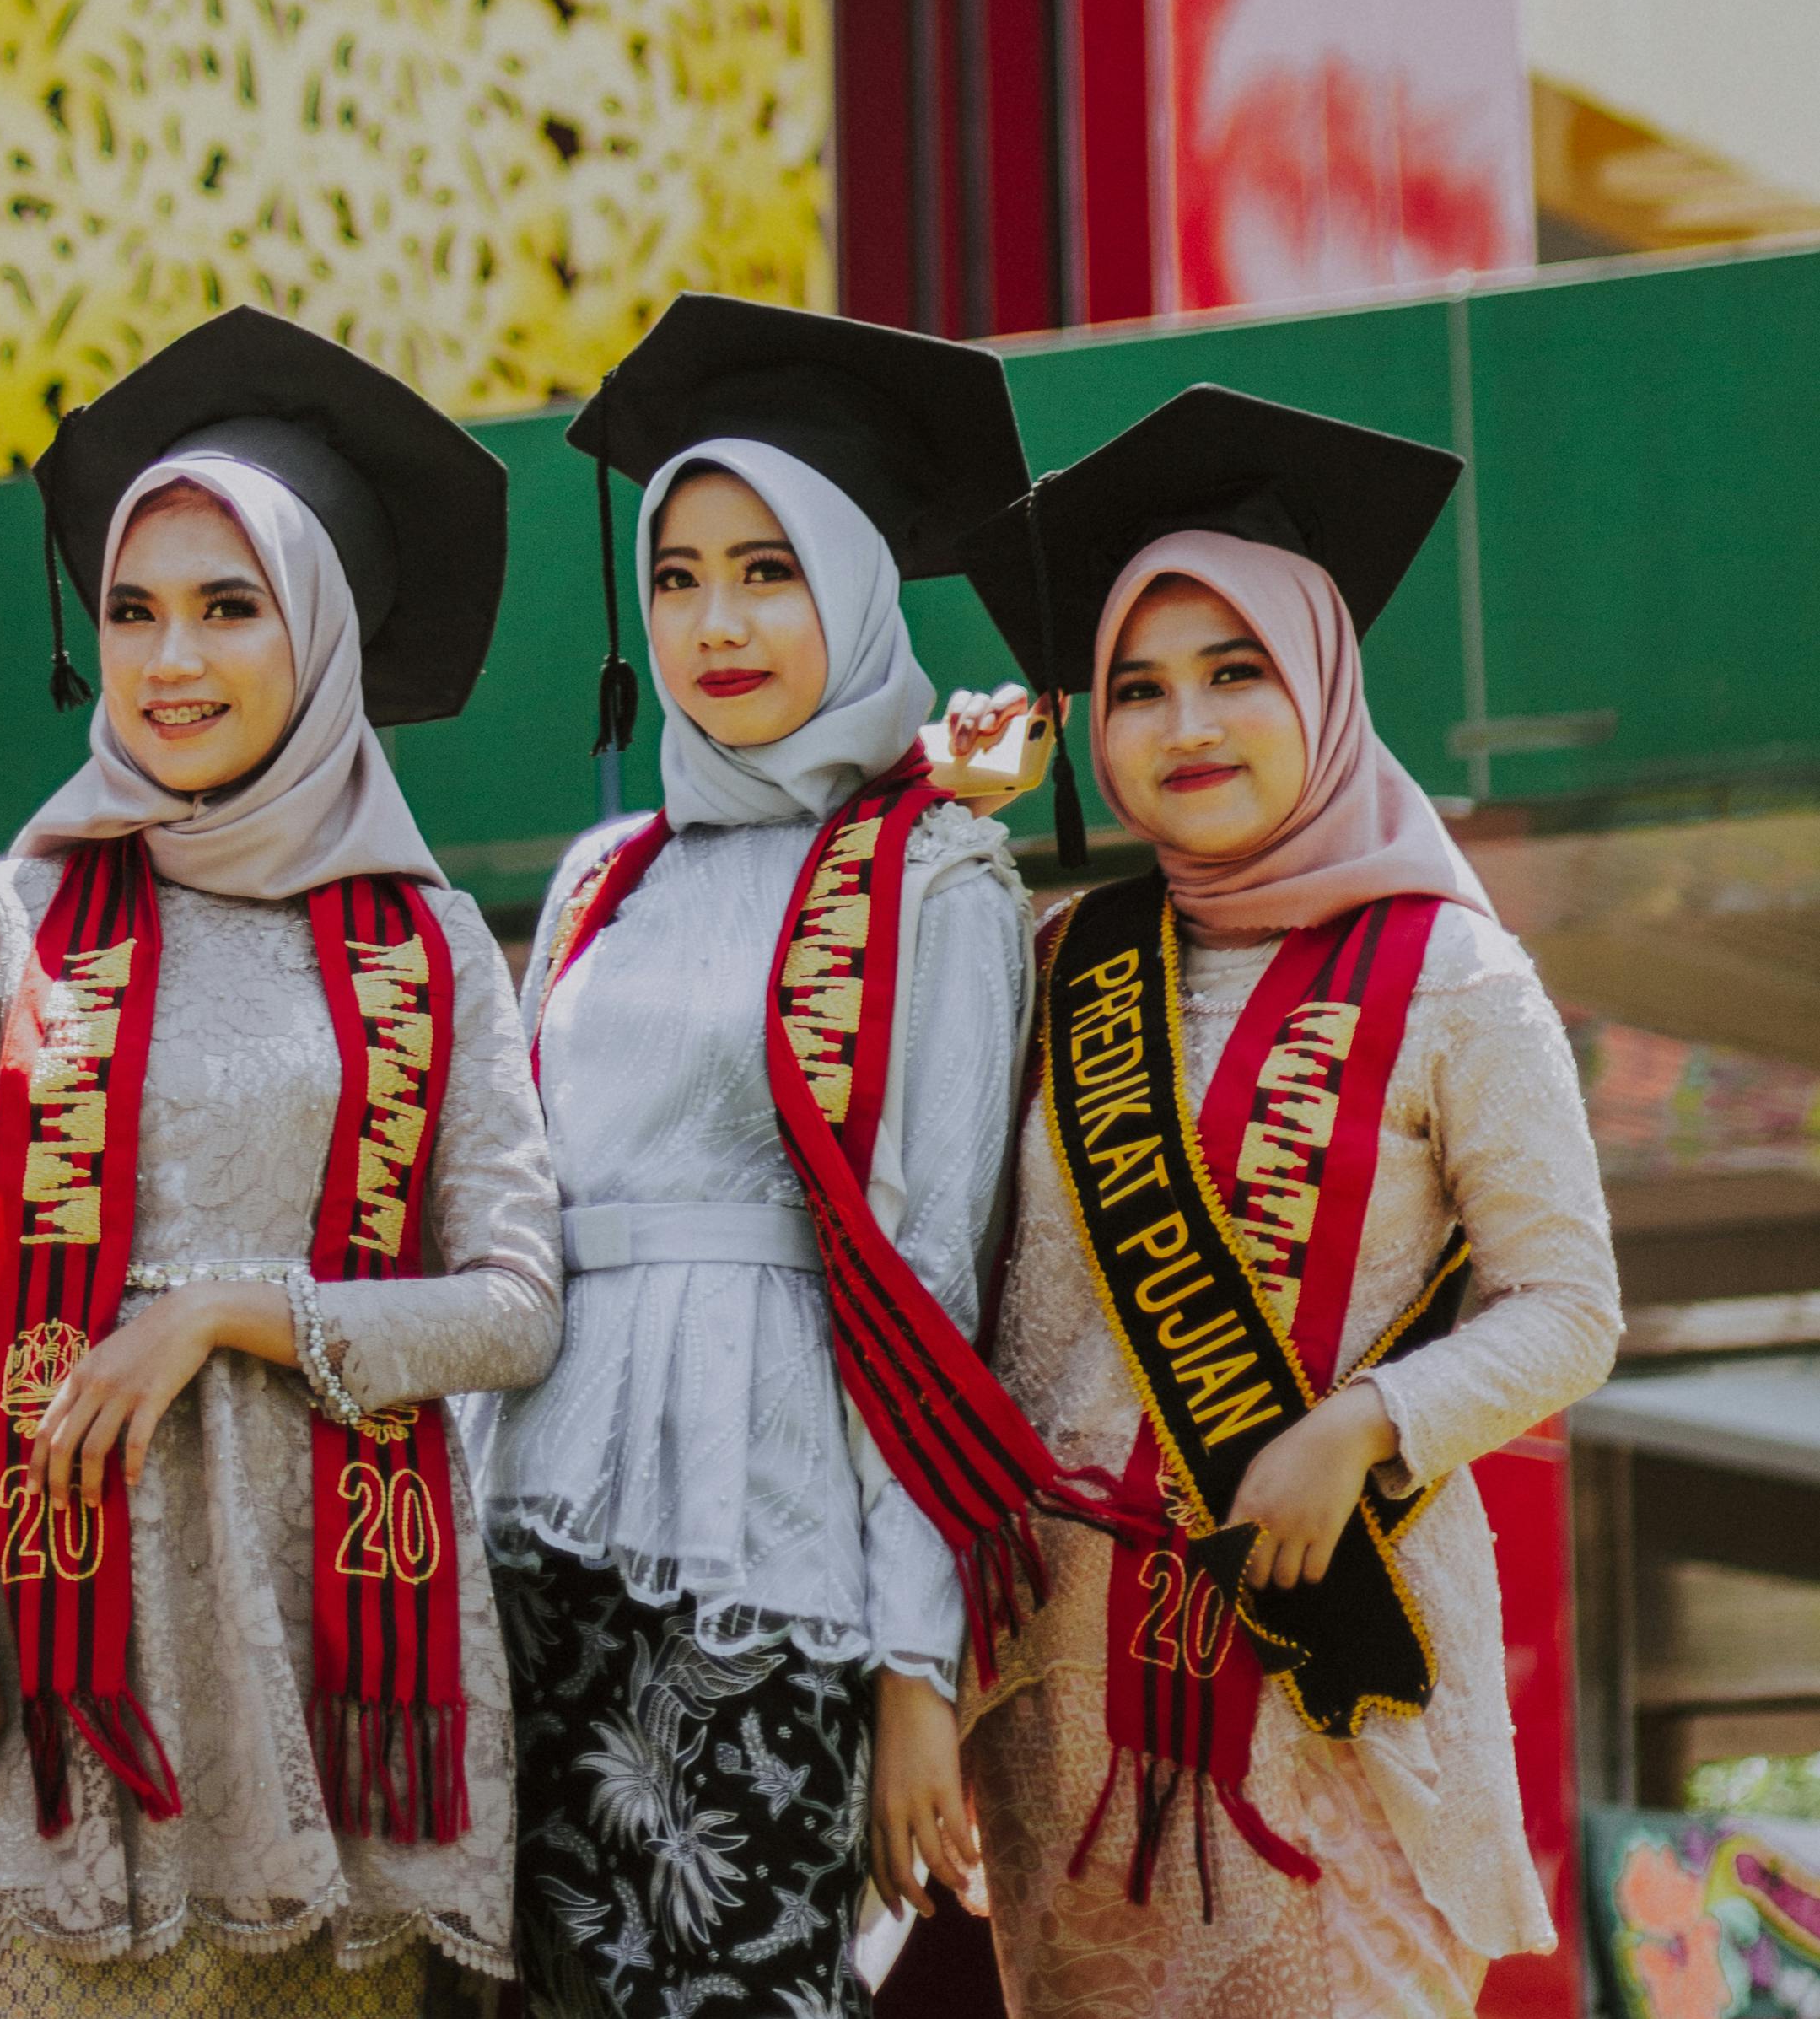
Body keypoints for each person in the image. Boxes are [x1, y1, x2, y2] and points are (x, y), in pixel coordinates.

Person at [0, 306, 563, 2010]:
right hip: (54, 1670)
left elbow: (513, 1304)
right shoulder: (5, 922)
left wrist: (230, 1313)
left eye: (227, 607)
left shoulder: (425, 945)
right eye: (133, 609)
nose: (169, 659)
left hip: (334, 1674)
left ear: (318, 633)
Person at [953, 383, 1623, 2019]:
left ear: (1321, 681)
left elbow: (1571, 1304)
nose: (1185, 724)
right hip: (1072, 1712)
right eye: (1137, 686)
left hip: (1328, 1691)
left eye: (1235, 670)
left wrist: (1363, 1422)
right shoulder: (1059, 965)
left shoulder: (1456, 972)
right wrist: (935, 825)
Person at [474, 295, 1070, 2019]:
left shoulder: (933, 880)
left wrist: (910, 1668)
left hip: (778, 1546)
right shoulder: (603, 875)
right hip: (542, 1535)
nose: (715, 620)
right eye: (677, 574)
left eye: (768, 568)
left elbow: (922, 1281)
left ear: (858, 585)